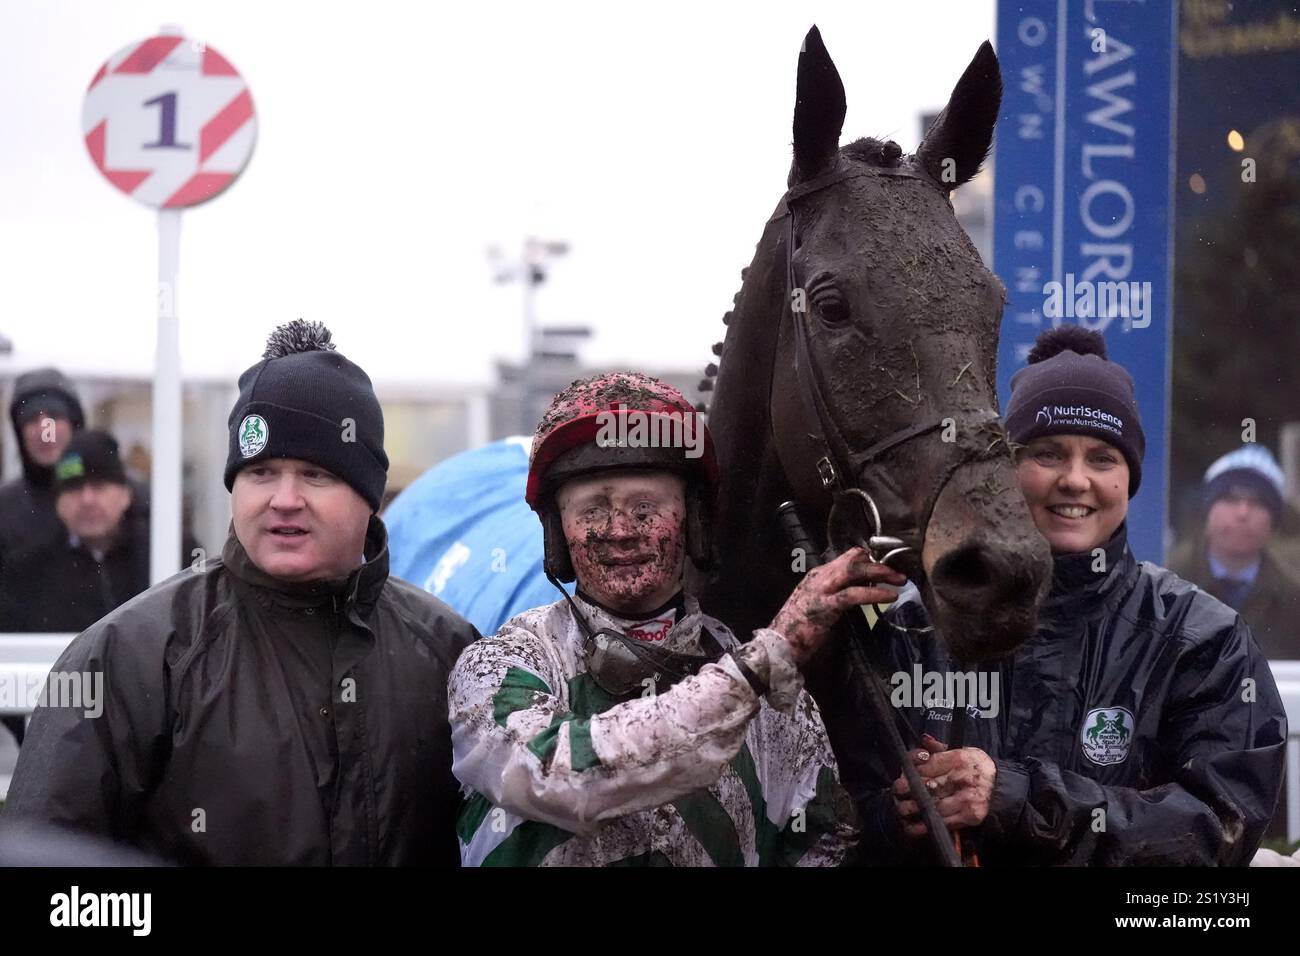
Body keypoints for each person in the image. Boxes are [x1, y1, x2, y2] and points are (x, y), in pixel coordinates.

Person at [5, 320, 479, 865]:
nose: (283, 498)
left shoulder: (447, 650)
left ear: (368, 494)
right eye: (260, 472)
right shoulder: (132, 657)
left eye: (314, 474)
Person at [844, 326, 1287, 866]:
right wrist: (895, 821)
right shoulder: (912, 631)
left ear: (1130, 479)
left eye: (1102, 458)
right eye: (1048, 454)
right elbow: (834, 821)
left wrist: (1017, 798)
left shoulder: (1204, 642)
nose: (1075, 480)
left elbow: (1221, 830)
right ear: (1007, 470)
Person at [449, 372, 902, 866]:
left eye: (645, 508)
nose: (619, 531)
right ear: (558, 533)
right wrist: (761, 663)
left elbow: (822, 849)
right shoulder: (499, 666)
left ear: (695, 521)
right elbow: (563, 778)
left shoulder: (778, 705)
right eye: (591, 510)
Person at [0, 430, 196, 636]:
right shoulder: (27, 573)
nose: (87, 499)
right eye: (74, 488)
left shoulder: (169, 553)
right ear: (58, 503)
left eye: (99, 486)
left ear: (125, 495)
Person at [1169, 445, 1300, 660]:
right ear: (1207, 511)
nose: (1243, 513)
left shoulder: (1292, 597)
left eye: (1257, 502)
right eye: (1230, 499)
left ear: (1274, 522)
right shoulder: (1167, 581)